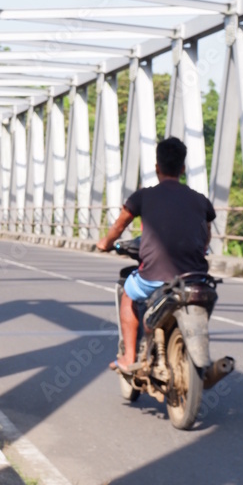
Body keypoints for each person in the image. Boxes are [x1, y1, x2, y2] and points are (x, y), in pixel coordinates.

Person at [97, 137, 216, 371]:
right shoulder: (200, 200)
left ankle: (129, 356)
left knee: (128, 294)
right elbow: (206, 236)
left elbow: (119, 226)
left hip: (155, 276)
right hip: (195, 277)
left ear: (157, 168)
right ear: (182, 168)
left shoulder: (142, 197)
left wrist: (105, 243)